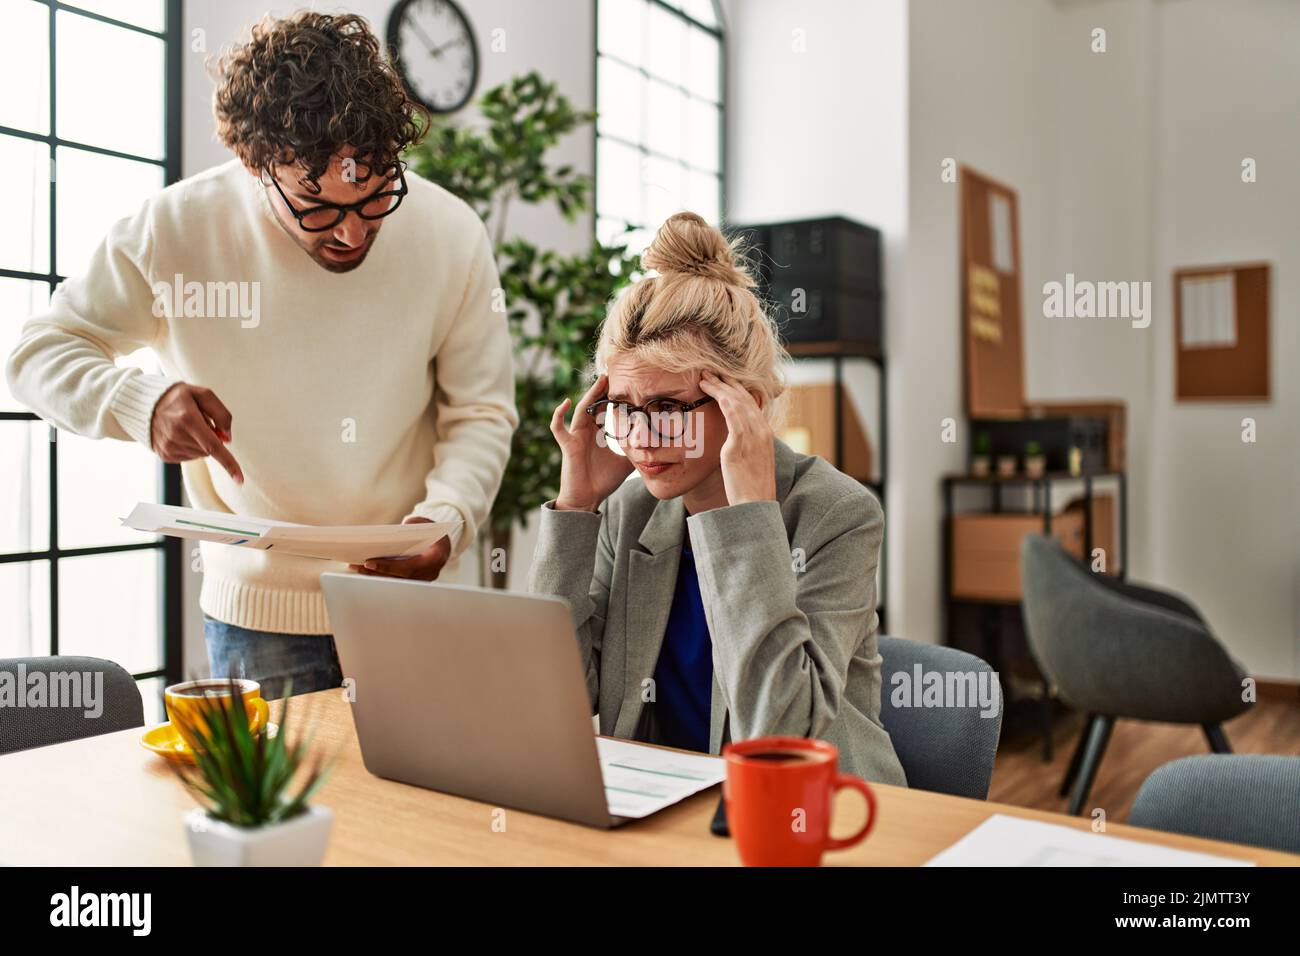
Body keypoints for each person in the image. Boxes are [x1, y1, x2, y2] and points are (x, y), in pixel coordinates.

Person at [5, 12, 518, 698]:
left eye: (373, 198)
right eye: (316, 204)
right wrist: (140, 402)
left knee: (432, 806)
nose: (351, 231)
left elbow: (481, 410)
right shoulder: (174, 230)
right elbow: (37, 352)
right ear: (254, 163)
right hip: (263, 620)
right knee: (280, 806)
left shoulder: (450, 231)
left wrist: (447, 519)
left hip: (422, 600)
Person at [527, 211, 905, 784]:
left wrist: (747, 518)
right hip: (670, 810)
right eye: (625, 408)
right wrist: (576, 509)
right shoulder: (630, 513)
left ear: (744, 404)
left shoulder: (836, 514)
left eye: (669, 409)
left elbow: (782, 734)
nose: (641, 439)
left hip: (815, 817)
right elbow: (556, 700)